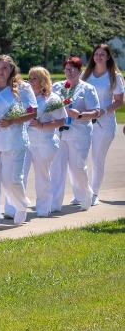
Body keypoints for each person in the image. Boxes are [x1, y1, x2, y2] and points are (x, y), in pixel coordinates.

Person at [0, 54, 36, 228]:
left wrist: (13, 121)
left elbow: (33, 112)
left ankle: (21, 205)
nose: (1, 71)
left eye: (5, 68)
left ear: (11, 69)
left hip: (14, 141)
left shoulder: (23, 88)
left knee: (11, 180)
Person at [51, 56, 101, 213]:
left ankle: (86, 196)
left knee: (77, 167)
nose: (70, 72)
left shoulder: (87, 89)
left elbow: (97, 112)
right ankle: (54, 203)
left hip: (79, 133)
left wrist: (79, 114)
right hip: (59, 132)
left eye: (73, 69)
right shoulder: (57, 87)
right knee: (57, 168)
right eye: (67, 69)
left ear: (80, 71)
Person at [81, 43, 124, 205]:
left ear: (108, 57)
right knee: (80, 158)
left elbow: (119, 102)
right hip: (85, 123)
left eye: (102, 54)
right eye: (96, 54)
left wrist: (103, 111)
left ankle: (94, 193)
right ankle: (82, 191)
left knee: (97, 159)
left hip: (105, 124)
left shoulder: (114, 76)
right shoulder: (86, 74)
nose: (98, 57)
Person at [25, 67, 66, 218]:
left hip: (44, 142)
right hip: (25, 142)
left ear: (43, 81)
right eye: (29, 78)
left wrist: (41, 125)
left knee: (42, 176)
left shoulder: (52, 99)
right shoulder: (25, 97)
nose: (30, 81)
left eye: (34, 78)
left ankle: (43, 207)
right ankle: (15, 207)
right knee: (18, 175)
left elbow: (62, 120)